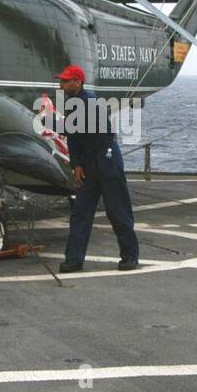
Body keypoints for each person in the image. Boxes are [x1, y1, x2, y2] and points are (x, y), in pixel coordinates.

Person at [56, 64, 140, 273]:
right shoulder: (71, 102)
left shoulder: (89, 102)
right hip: (89, 163)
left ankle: (130, 255)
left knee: (117, 211)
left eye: (66, 81)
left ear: (78, 82)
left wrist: (46, 122)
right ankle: (74, 259)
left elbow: (76, 129)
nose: (62, 84)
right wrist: (76, 165)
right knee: (80, 213)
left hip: (107, 159)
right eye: (62, 81)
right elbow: (73, 137)